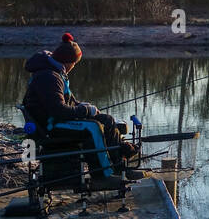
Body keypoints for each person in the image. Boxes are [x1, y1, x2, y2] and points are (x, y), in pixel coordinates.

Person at [21, 33, 138, 182]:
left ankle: (119, 168)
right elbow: (59, 111)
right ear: (69, 62)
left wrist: (84, 106)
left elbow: (67, 102)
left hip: (55, 120)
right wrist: (86, 111)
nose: (74, 67)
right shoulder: (49, 77)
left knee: (106, 120)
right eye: (75, 63)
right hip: (51, 126)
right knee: (93, 128)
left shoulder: (55, 72)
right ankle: (103, 175)